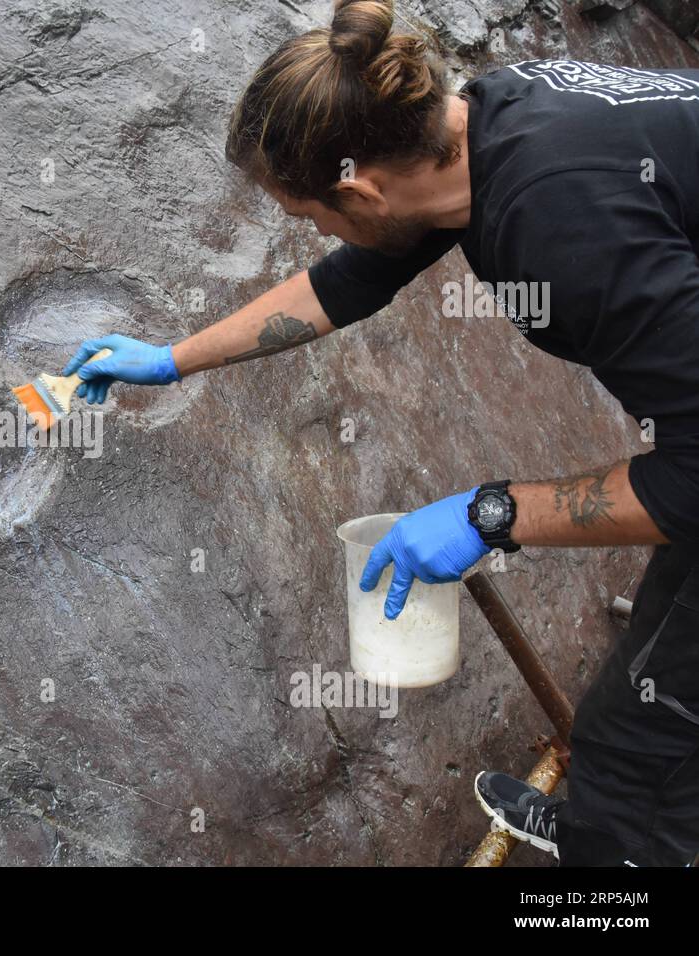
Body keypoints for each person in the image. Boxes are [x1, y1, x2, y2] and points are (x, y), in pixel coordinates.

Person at [62, 0, 699, 865]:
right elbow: (353, 277)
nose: (318, 231)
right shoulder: (486, 119)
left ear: (359, 187)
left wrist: (490, 515)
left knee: (637, 754)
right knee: (654, 687)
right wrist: (174, 360)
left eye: (313, 214)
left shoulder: (564, 224)